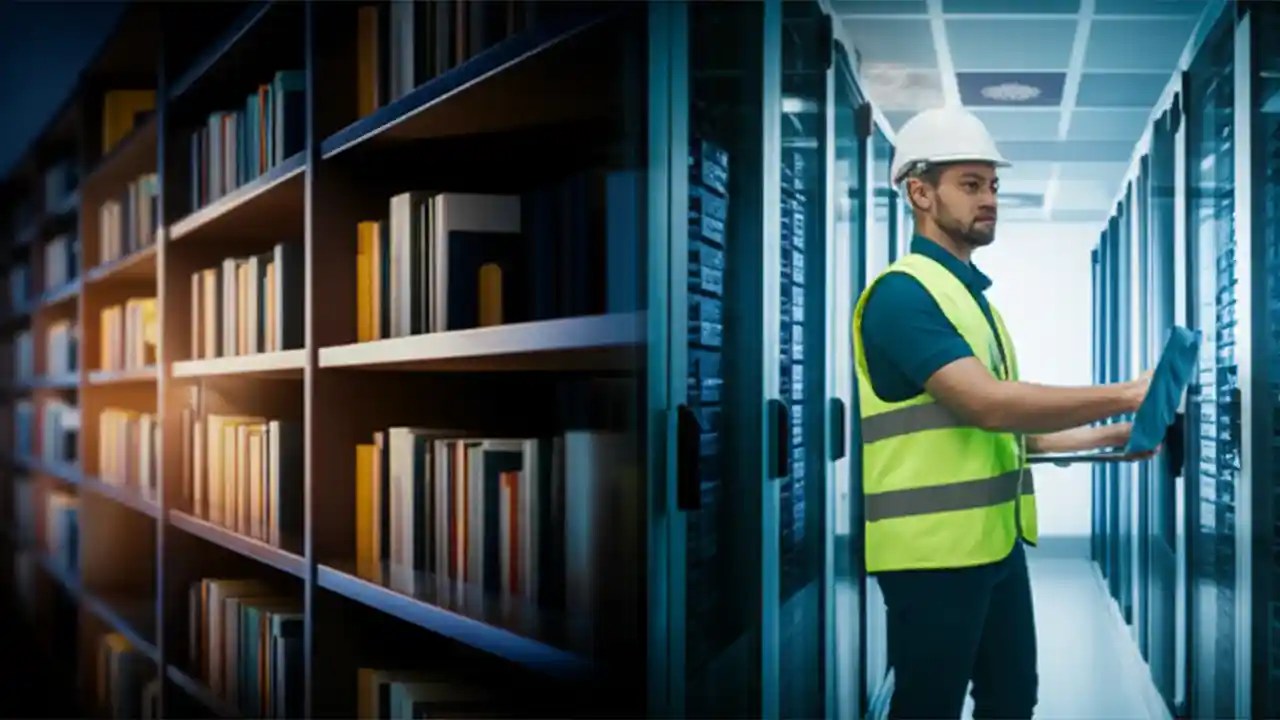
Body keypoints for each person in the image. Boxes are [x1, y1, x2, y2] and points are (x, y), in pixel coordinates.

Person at [852, 106, 1155, 719]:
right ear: (919, 193)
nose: (989, 199)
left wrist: (1117, 436)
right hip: (933, 557)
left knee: (1012, 698)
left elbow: (1011, 437)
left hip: (994, 547)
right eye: (970, 184)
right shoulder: (902, 294)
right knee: (928, 707)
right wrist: (1125, 392)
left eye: (993, 186)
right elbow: (987, 405)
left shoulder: (973, 300)